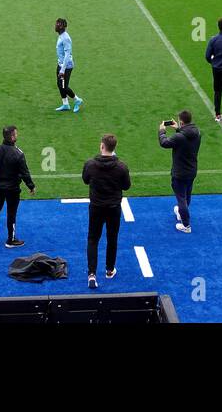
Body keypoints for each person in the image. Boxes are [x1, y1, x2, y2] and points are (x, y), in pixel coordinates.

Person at [82, 133, 131, 290]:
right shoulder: (121, 167)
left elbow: (85, 180)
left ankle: (91, 274)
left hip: (96, 207)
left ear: (102, 146)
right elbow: (126, 186)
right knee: (112, 238)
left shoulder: (90, 164)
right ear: (114, 147)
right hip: (113, 208)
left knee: (93, 239)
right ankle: (109, 270)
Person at [0, 125, 35, 247]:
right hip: (12, 188)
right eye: (16, 134)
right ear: (12, 137)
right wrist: (31, 186)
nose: (17, 136)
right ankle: (11, 239)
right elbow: (25, 173)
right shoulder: (18, 154)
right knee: (11, 213)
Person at [159, 111, 201, 233]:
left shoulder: (180, 137)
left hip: (180, 172)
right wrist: (178, 129)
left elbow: (164, 143)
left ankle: (186, 225)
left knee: (181, 198)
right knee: (187, 194)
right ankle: (182, 214)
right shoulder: (197, 133)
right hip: (192, 170)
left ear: (181, 122)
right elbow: (185, 138)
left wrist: (162, 131)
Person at [53, 18, 83, 113]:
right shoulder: (61, 35)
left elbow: (67, 55)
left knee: (64, 86)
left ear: (62, 26)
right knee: (59, 84)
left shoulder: (66, 38)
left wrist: (62, 70)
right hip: (61, 64)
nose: (55, 26)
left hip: (66, 67)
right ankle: (65, 104)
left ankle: (77, 100)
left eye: (58, 24)